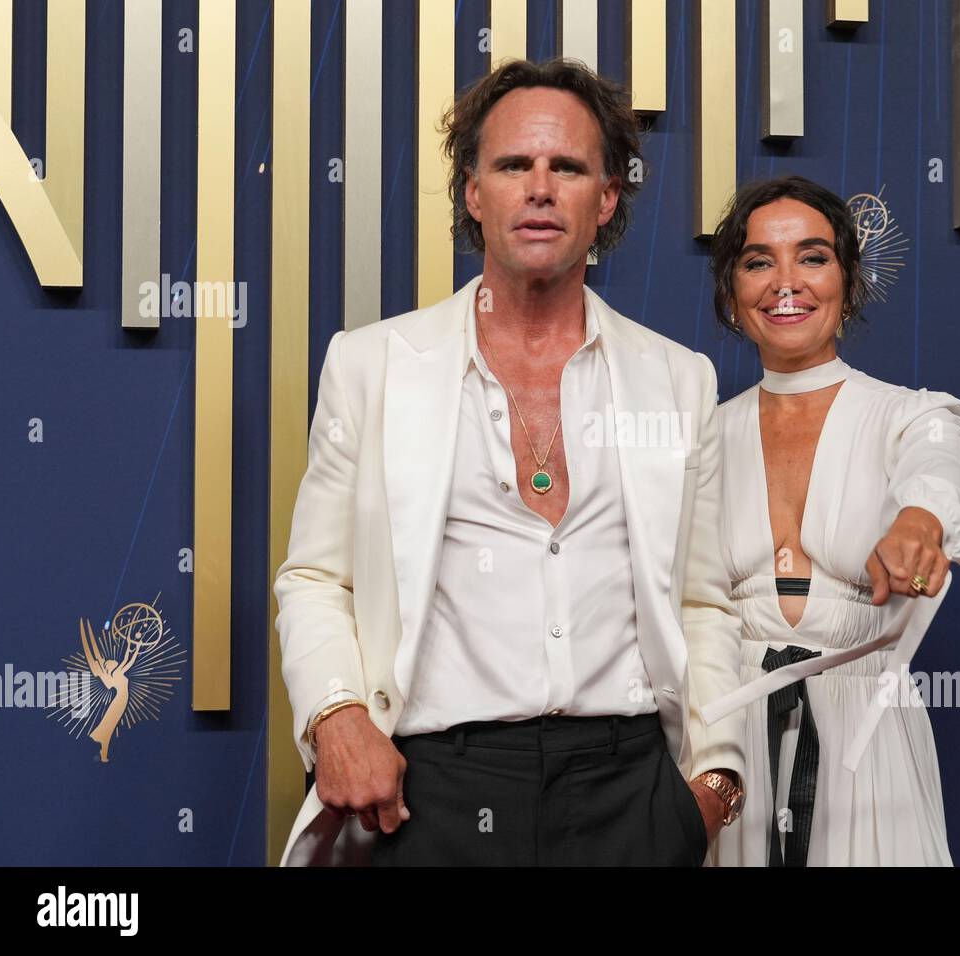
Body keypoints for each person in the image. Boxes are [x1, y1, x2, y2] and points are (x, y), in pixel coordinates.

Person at [272, 58, 746, 866]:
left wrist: (715, 785)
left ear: (605, 199)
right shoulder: (373, 365)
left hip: (630, 793)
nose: (539, 187)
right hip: (429, 798)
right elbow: (316, 578)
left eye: (567, 166)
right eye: (512, 165)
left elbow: (702, 601)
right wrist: (335, 713)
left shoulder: (676, 378)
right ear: (471, 191)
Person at [704, 175, 960, 867]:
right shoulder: (699, 439)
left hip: (868, 739)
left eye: (813, 257)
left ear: (848, 282)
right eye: (758, 260)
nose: (785, 281)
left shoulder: (914, 414)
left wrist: (919, 525)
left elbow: (936, 475)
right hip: (728, 737)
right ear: (733, 296)